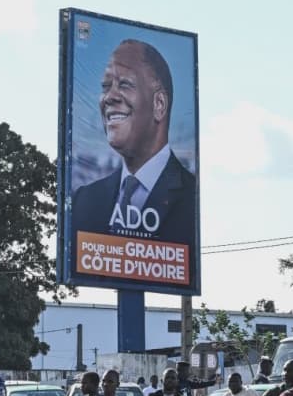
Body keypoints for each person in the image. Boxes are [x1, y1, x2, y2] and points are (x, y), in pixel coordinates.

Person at [70, 39, 197, 270]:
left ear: (159, 104)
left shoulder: (190, 198)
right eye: (105, 86)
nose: (109, 97)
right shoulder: (85, 201)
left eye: (125, 84)